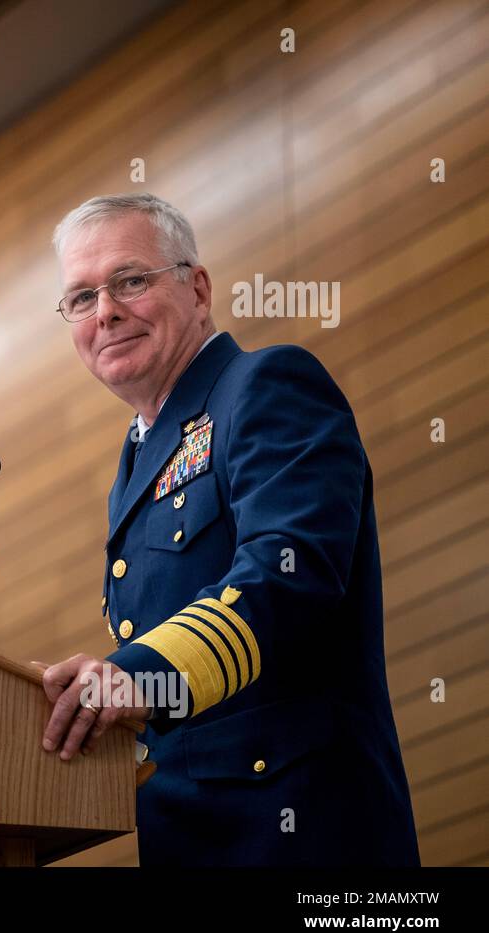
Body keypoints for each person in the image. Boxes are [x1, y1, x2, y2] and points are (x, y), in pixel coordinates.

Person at [36, 192, 420, 866]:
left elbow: (289, 573)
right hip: (190, 840)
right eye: (81, 297)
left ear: (199, 288)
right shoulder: (137, 461)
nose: (106, 312)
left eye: (130, 280)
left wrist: (141, 678)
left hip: (303, 835)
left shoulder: (266, 385)